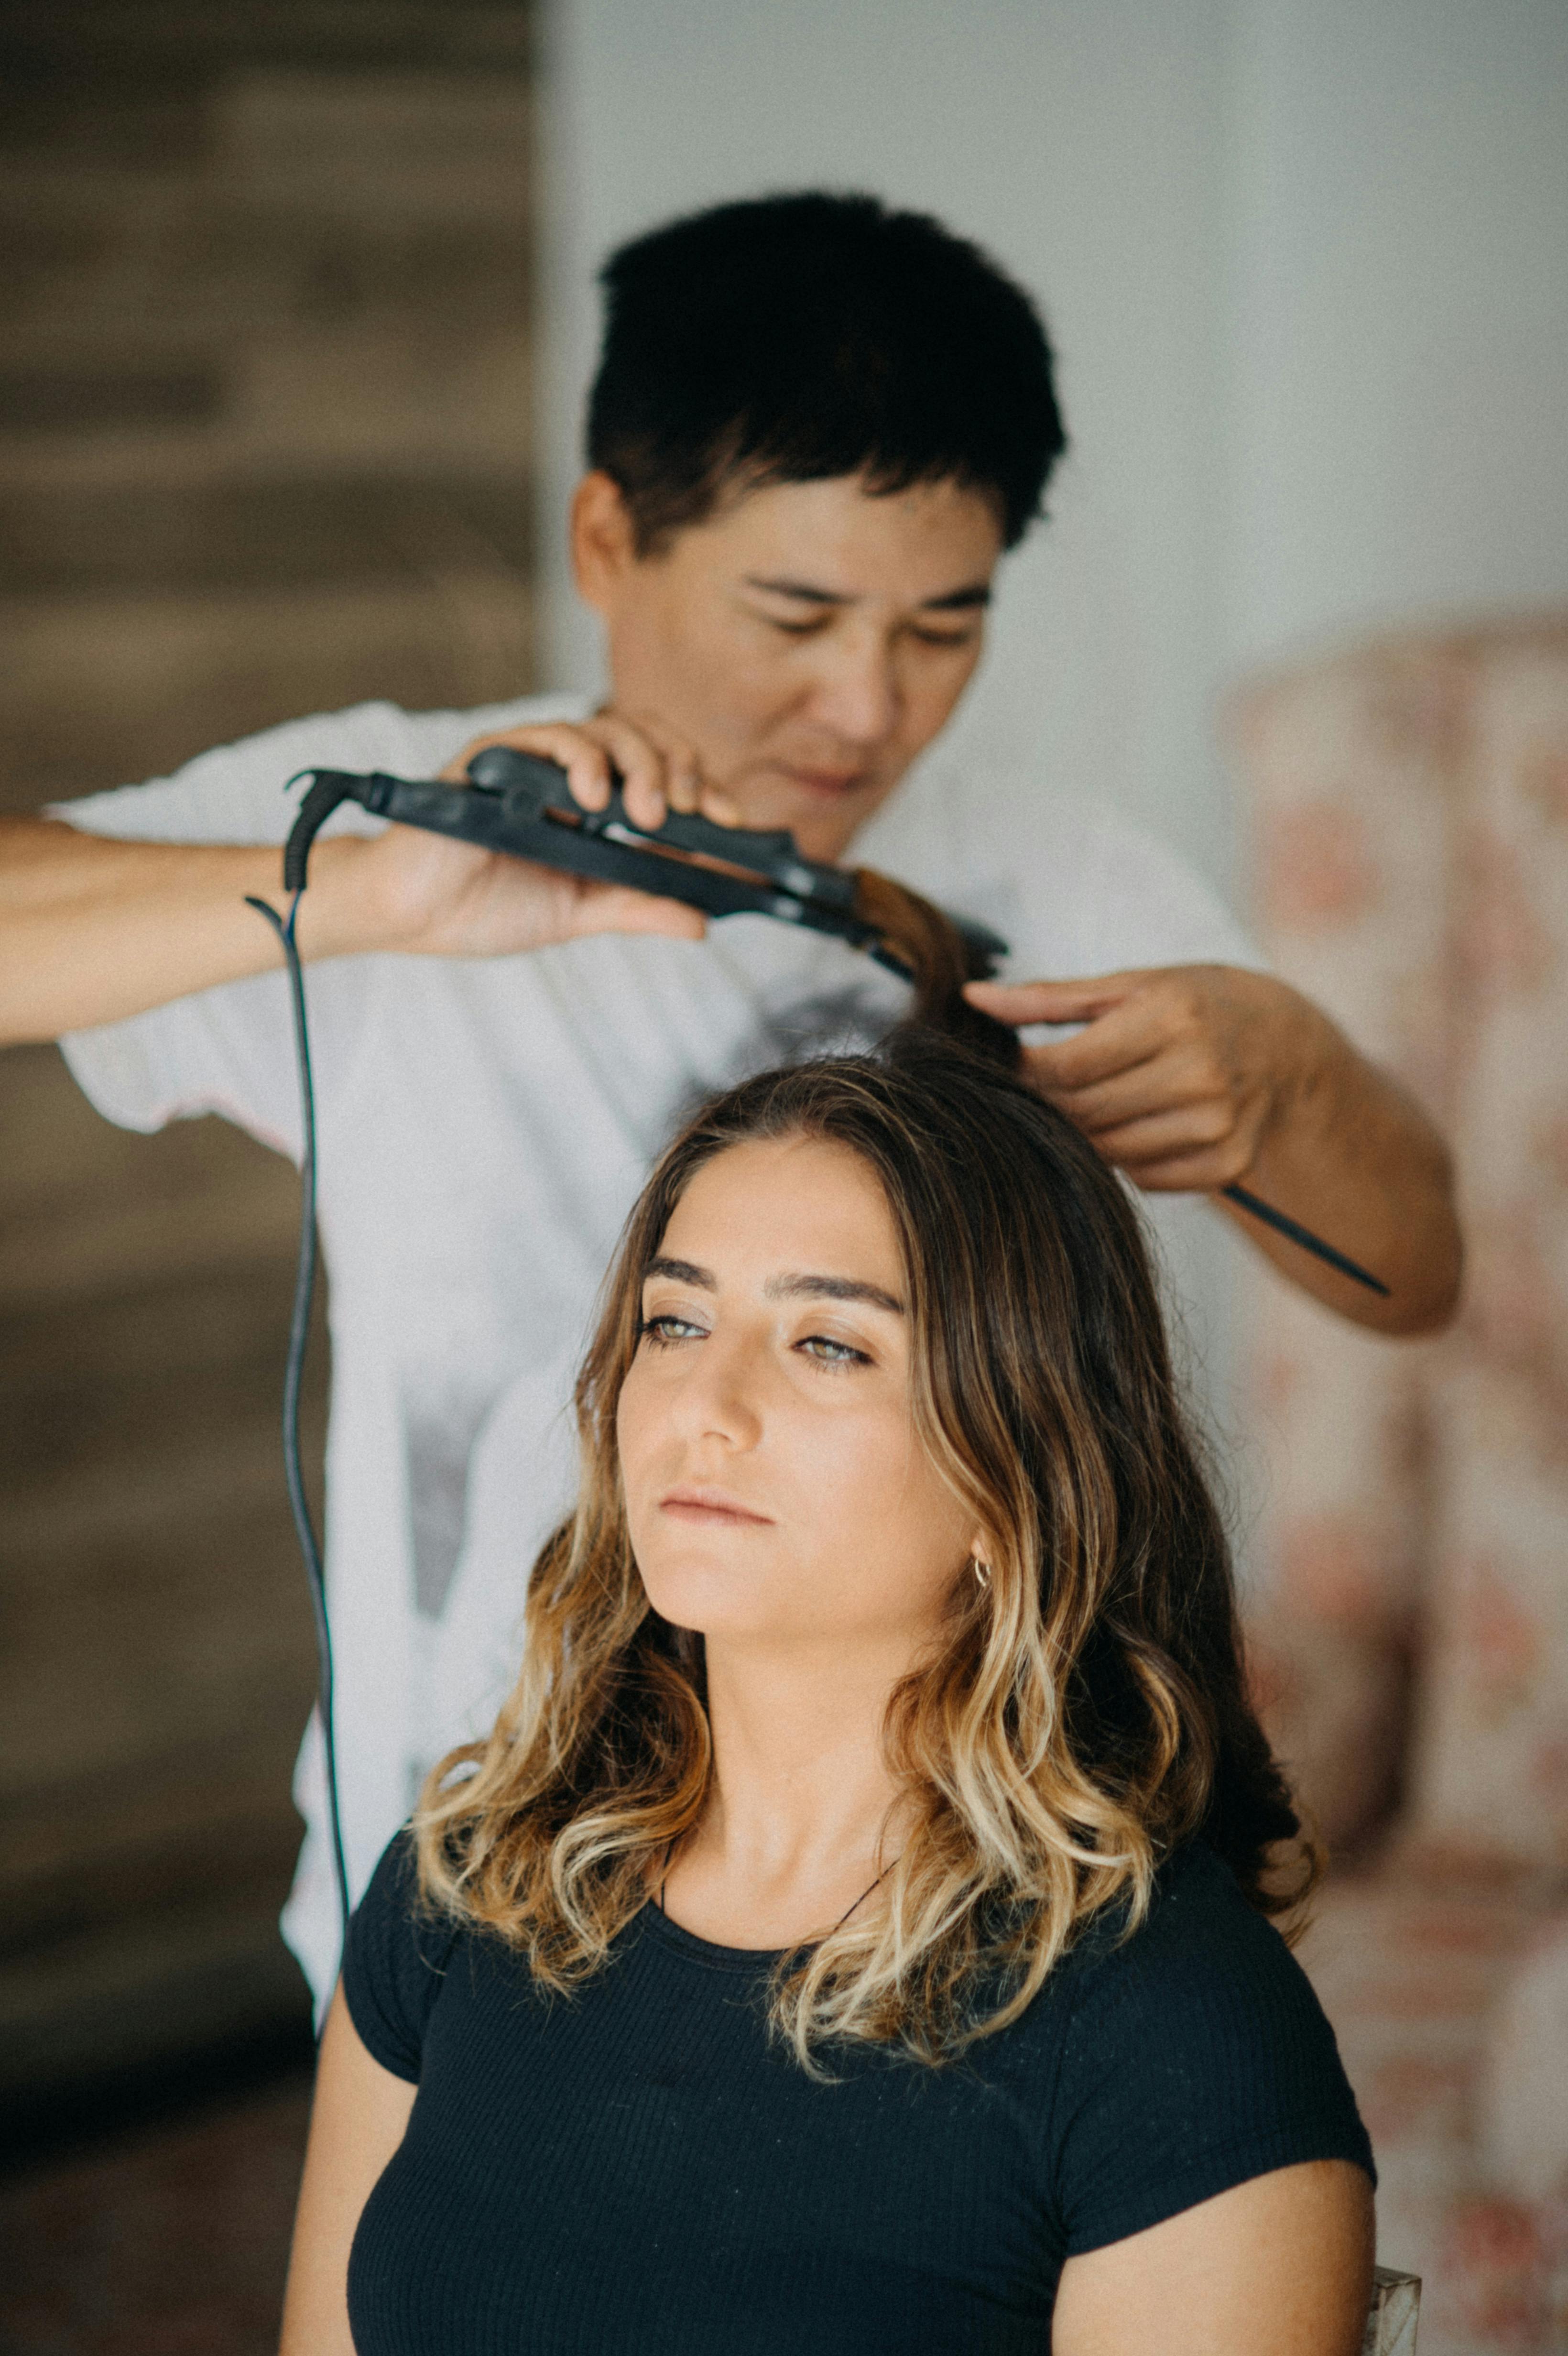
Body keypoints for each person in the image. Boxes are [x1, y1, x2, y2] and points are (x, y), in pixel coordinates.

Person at [0, 191, 1462, 2007]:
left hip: (942, 1897)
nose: (865, 704)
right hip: (476, 1867)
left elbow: (1416, 1273)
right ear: (610, 540)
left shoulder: (1061, 879)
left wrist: (1294, 1081)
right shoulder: (408, 816)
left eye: (944, 626)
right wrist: (383, 887)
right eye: (799, 611)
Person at [279, 1032, 1376, 2356]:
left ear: (1013, 1465)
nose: (705, 1406)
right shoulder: (467, 1888)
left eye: (828, 1345)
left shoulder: (1173, 2035)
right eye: (675, 1322)